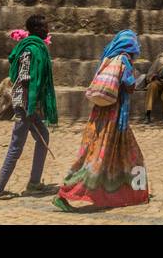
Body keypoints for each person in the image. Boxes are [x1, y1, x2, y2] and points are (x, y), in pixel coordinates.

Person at [52, 29, 150, 210]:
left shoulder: (107, 58)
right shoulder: (125, 61)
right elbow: (129, 86)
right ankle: (66, 192)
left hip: (99, 116)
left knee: (96, 155)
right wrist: (138, 81)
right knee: (101, 159)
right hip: (115, 117)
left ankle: (127, 193)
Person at [0, 14, 58, 200]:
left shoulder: (33, 46)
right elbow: (25, 77)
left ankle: (34, 182)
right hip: (26, 104)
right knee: (16, 146)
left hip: (28, 104)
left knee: (43, 136)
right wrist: (32, 102)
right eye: (44, 27)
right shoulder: (31, 49)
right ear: (36, 29)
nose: (47, 30)